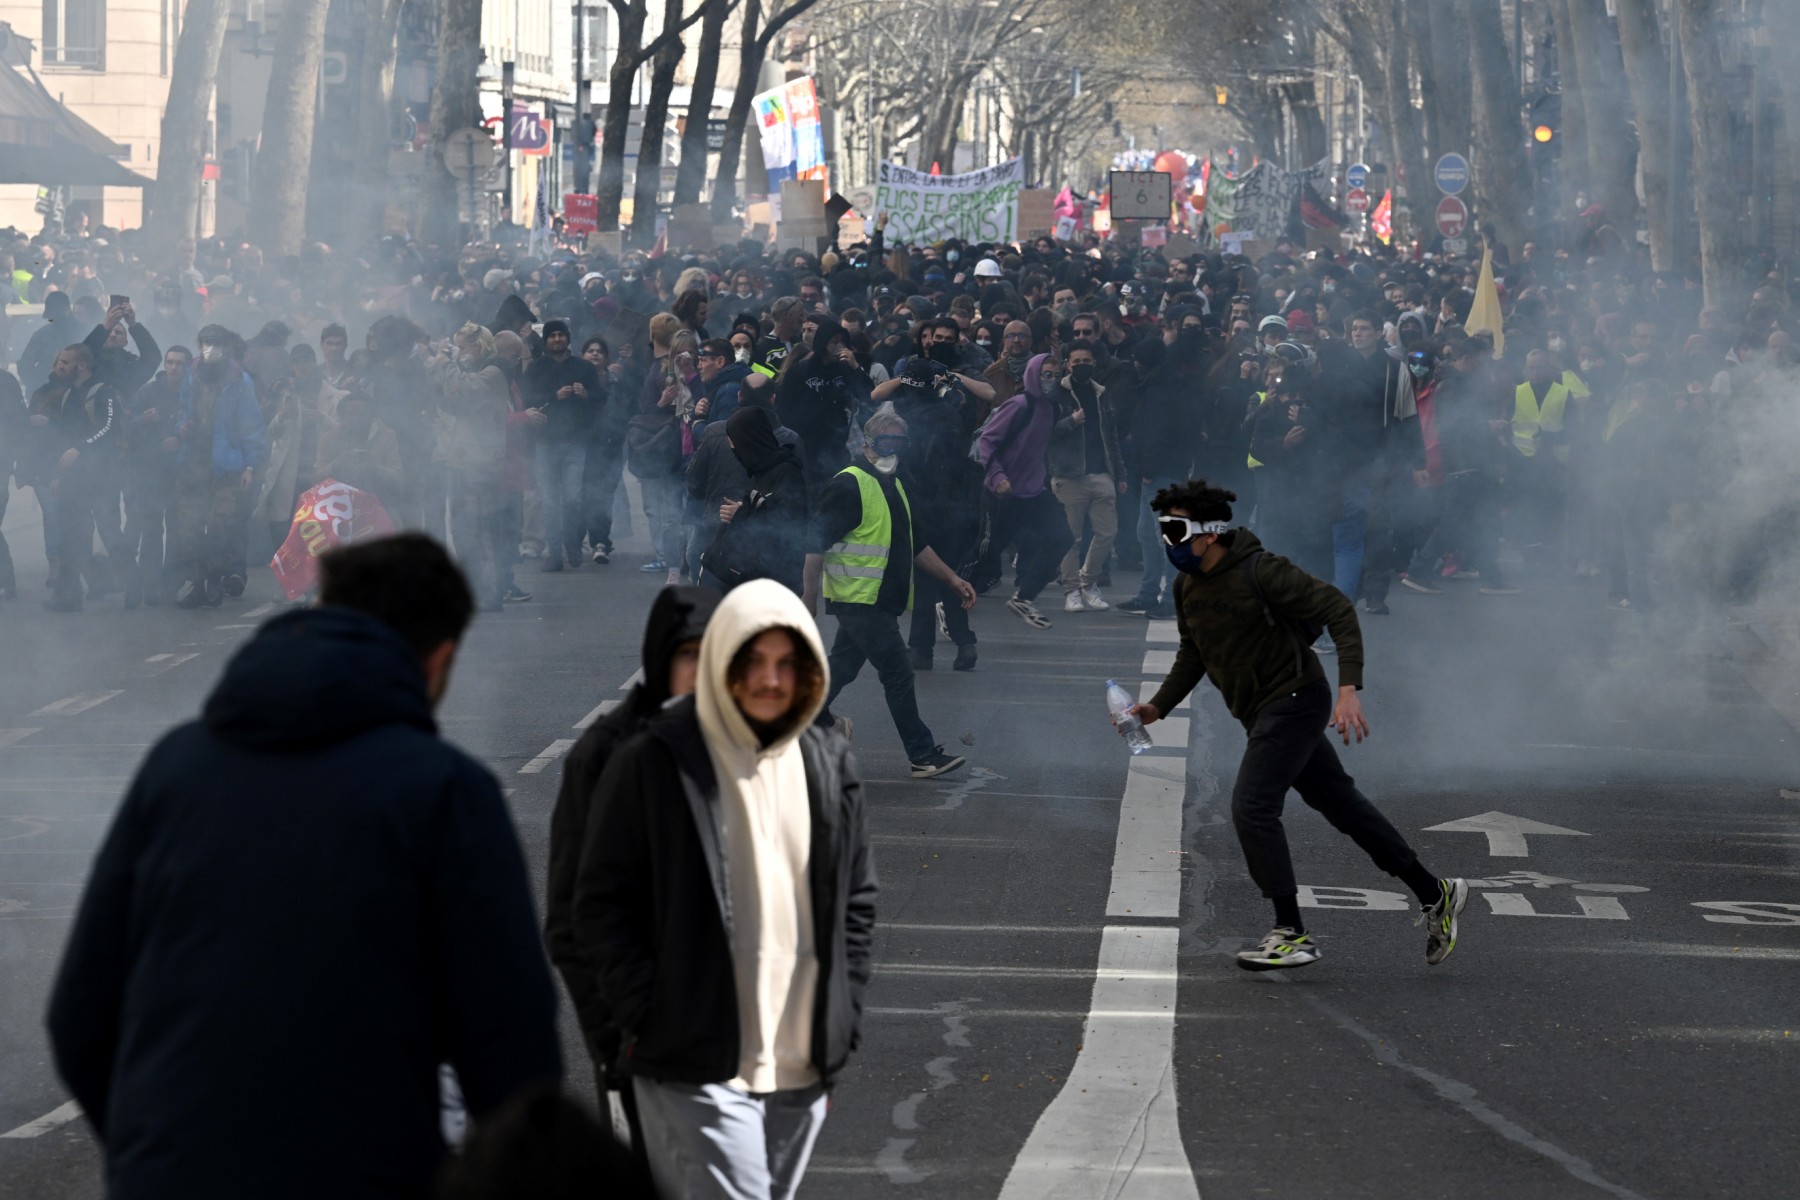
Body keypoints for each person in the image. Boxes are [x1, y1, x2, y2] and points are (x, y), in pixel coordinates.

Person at [47, 533, 562, 1197]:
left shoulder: (176, 765)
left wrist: (147, 1145)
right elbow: (510, 1042)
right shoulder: (444, 789)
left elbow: (80, 1012)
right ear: (438, 659)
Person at [572, 580, 876, 1200]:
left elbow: (855, 900)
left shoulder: (825, 761)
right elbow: (598, 906)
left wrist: (838, 1020)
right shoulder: (650, 759)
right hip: (692, 1058)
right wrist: (643, 1020)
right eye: (753, 661)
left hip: (798, 1059)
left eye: (788, 663)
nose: (770, 680)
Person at [1126, 480, 1467, 970]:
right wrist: (1156, 708)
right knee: (1342, 806)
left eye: (1176, 529)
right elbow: (1193, 652)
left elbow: (1337, 609)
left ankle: (1291, 932)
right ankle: (1435, 892)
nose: (1168, 541)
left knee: (1252, 805)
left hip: (1296, 700)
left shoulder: (1263, 571)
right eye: (1163, 530)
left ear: (1209, 532)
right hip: (1262, 711)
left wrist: (1350, 689)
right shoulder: (1187, 588)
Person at [546, 585, 718, 1158]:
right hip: (643, 1049)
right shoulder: (605, 755)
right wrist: (618, 1037)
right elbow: (573, 919)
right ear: (660, 658)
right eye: (689, 656)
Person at [803, 408, 972, 778]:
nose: (893, 449)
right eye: (886, 442)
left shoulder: (895, 483)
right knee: (898, 673)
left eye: (900, 442)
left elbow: (916, 544)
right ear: (867, 443)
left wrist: (952, 580)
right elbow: (815, 543)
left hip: (878, 600)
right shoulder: (849, 483)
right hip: (859, 601)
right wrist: (808, 598)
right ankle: (922, 754)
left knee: (843, 667)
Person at [172, 325, 266, 607]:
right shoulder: (191, 375)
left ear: (226, 346)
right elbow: (182, 411)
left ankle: (214, 581)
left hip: (227, 465)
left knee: (219, 527)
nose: (209, 348)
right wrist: (181, 427)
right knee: (188, 526)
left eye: (214, 343)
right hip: (194, 462)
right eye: (204, 342)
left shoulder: (240, 380)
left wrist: (250, 465)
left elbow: (251, 425)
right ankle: (196, 583)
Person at [975, 352, 1067, 629]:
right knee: (987, 552)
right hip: (1002, 493)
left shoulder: (1053, 409)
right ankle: (948, 600)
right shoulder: (1018, 405)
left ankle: (1024, 597)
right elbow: (986, 442)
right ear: (1033, 375)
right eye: (1045, 375)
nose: (1051, 380)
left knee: (1063, 537)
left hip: (1033, 492)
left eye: (1056, 375)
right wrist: (998, 476)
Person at [38, 344, 128, 611]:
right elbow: (62, 439)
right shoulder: (66, 394)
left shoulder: (103, 391)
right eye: (59, 361)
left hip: (102, 476)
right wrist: (56, 475)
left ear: (83, 365)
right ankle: (68, 594)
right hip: (72, 478)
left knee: (109, 531)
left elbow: (108, 429)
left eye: (66, 362)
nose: (60, 366)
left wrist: (82, 448)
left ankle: (133, 580)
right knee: (71, 534)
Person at [1048, 339, 1123, 613]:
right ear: (1067, 363)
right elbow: (1045, 431)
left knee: (1108, 532)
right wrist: (1071, 422)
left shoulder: (1102, 393)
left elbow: (1112, 436)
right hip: (1068, 475)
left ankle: (1088, 582)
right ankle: (1071, 591)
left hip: (1101, 472)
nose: (1081, 365)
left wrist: (1119, 472)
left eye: (1086, 361)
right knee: (1072, 537)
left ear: (1094, 363)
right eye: (1076, 361)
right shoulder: (1056, 393)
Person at [702, 406, 809, 594]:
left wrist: (741, 514)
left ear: (748, 440)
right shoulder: (760, 472)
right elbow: (764, 508)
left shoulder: (786, 474)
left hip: (776, 582)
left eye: (734, 440)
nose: (731, 446)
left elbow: (786, 523)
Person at [526, 319, 602, 572]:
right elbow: (527, 399)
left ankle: (572, 543)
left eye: (561, 335)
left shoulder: (584, 367)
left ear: (568, 339)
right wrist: (553, 397)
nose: (557, 339)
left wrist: (585, 395)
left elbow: (601, 400)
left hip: (575, 441)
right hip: (545, 442)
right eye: (552, 335)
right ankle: (554, 553)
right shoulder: (536, 368)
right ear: (546, 340)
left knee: (572, 498)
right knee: (548, 501)